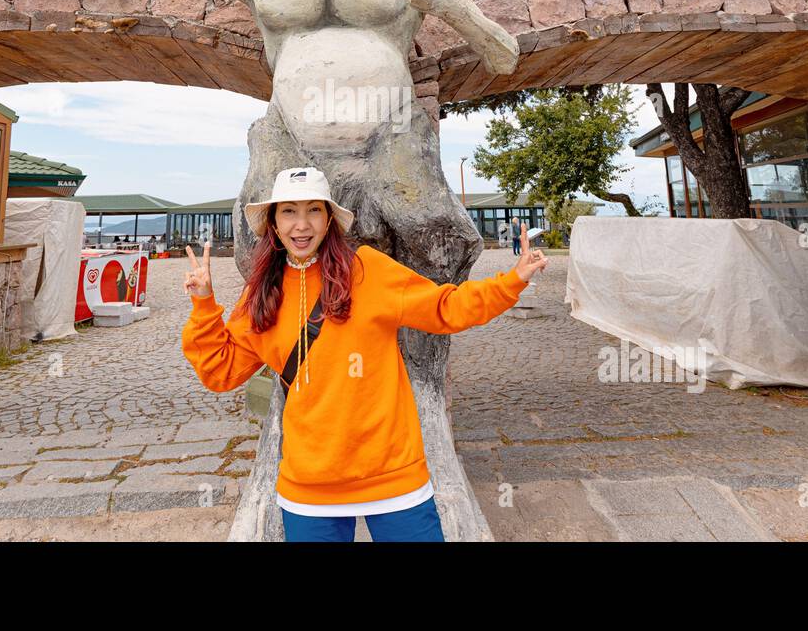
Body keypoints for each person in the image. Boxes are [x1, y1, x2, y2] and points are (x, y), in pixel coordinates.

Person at [181, 165, 547, 542]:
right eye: (288, 211)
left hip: (393, 477)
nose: (301, 225)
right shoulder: (261, 295)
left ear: (329, 221)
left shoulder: (367, 270)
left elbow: (445, 308)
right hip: (310, 486)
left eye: (314, 210)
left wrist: (512, 280)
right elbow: (220, 372)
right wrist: (204, 305)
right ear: (273, 223)